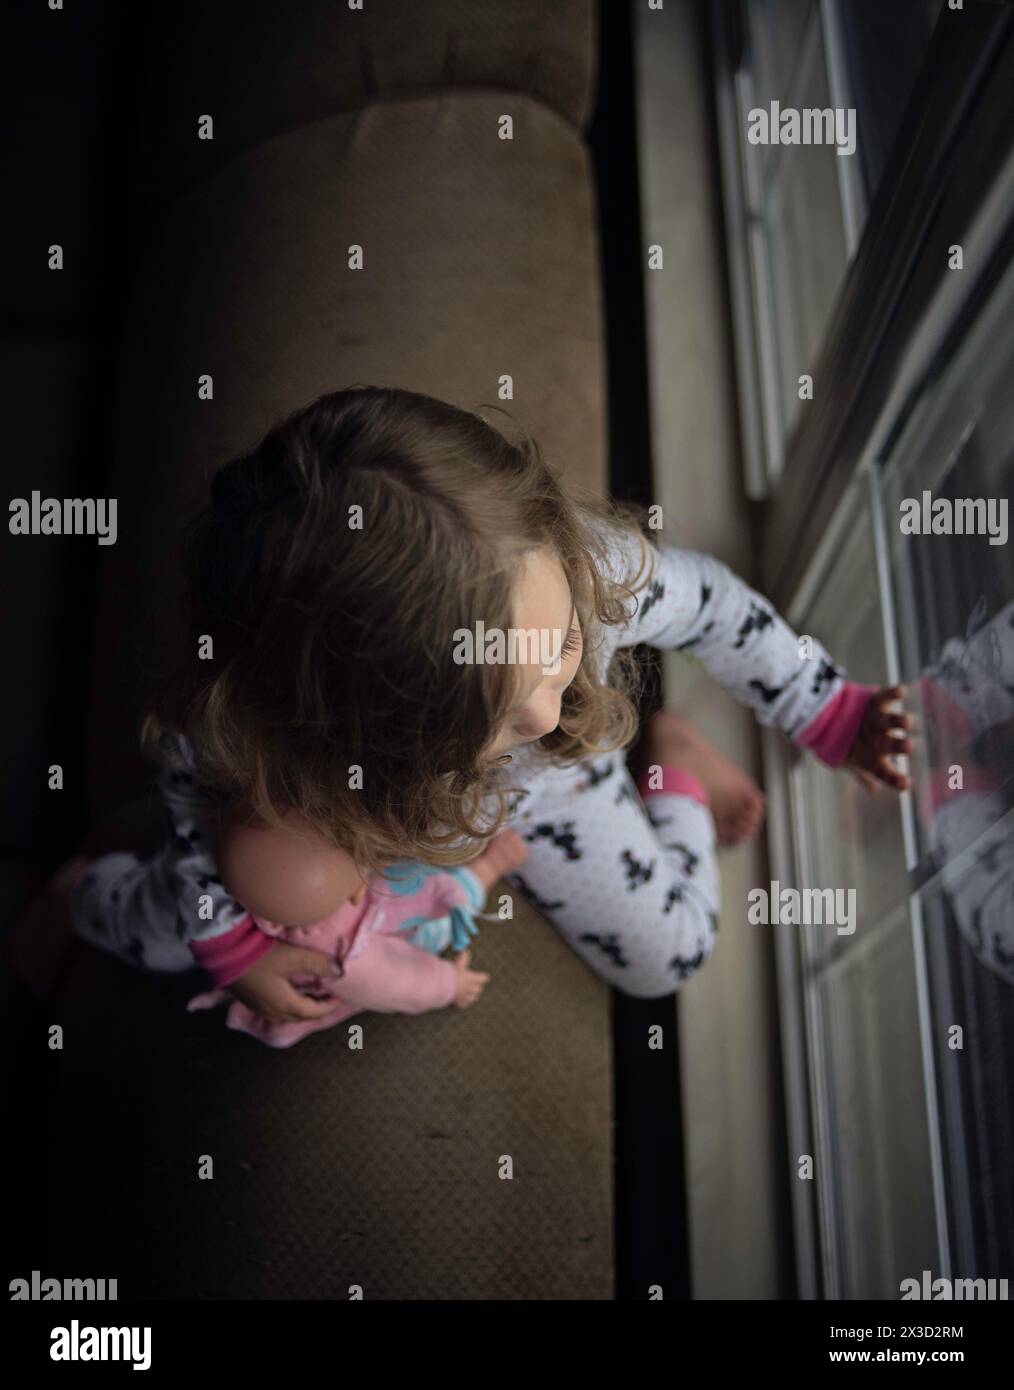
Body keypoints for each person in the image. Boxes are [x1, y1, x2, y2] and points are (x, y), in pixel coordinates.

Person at [12, 385, 911, 1018]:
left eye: (559, 653)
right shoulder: (257, 733)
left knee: (667, 957)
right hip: (365, 814)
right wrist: (233, 947)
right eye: (485, 717)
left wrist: (825, 709)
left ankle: (672, 769)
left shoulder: (581, 572)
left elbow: (716, 604)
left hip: (555, 800)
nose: (551, 718)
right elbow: (189, 798)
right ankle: (84, 900)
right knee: (177, 926)